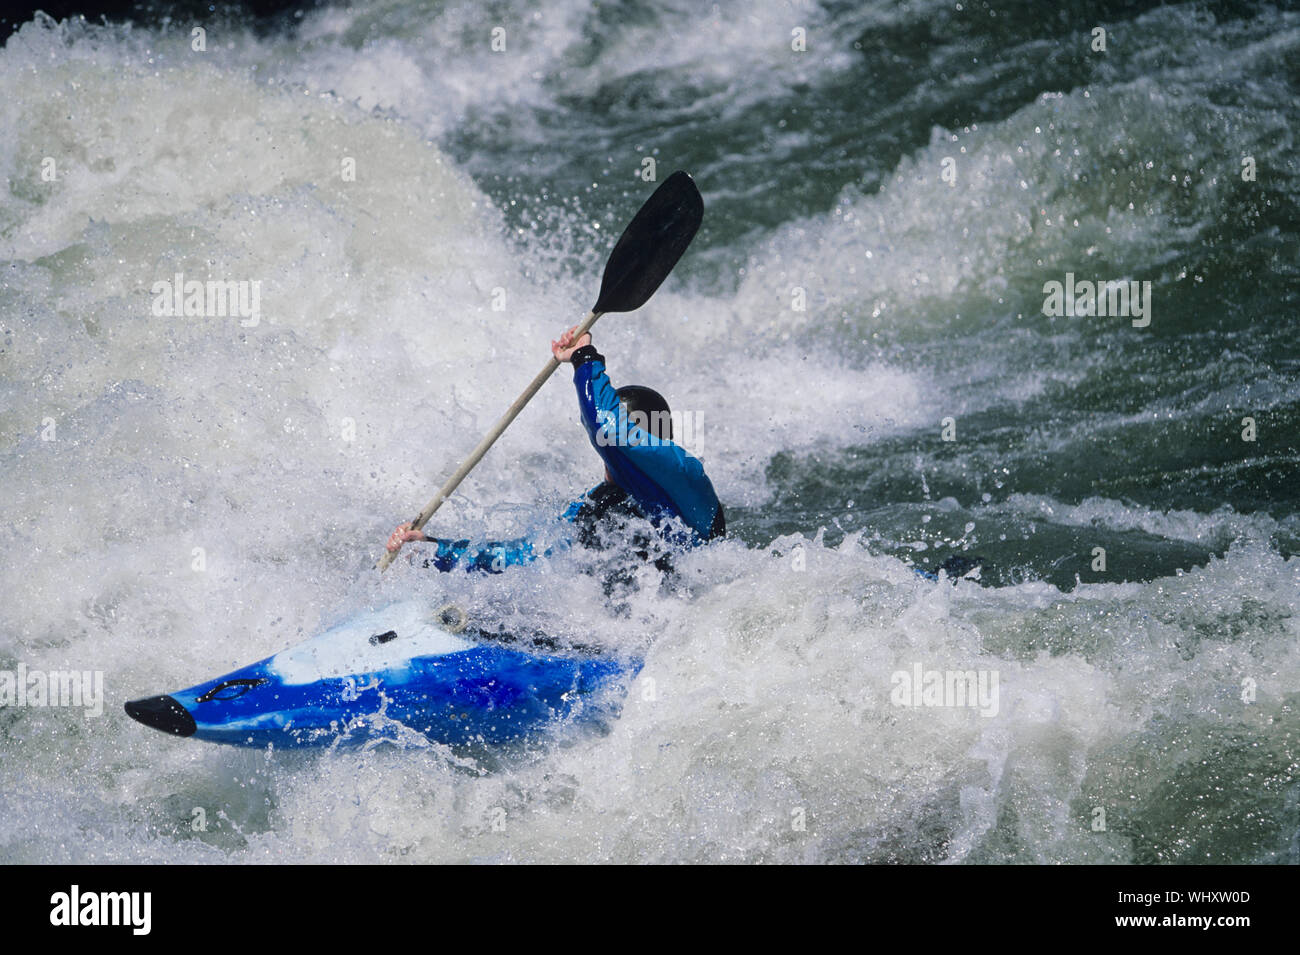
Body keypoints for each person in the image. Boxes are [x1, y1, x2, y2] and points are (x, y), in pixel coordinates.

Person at [385, 325, 724, 592]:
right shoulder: (598, 504)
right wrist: (432, 549)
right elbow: (527, 560)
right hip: (617, 626)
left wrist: (585, 357)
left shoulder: (685, 479)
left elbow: (607, 427)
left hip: (684, 625)